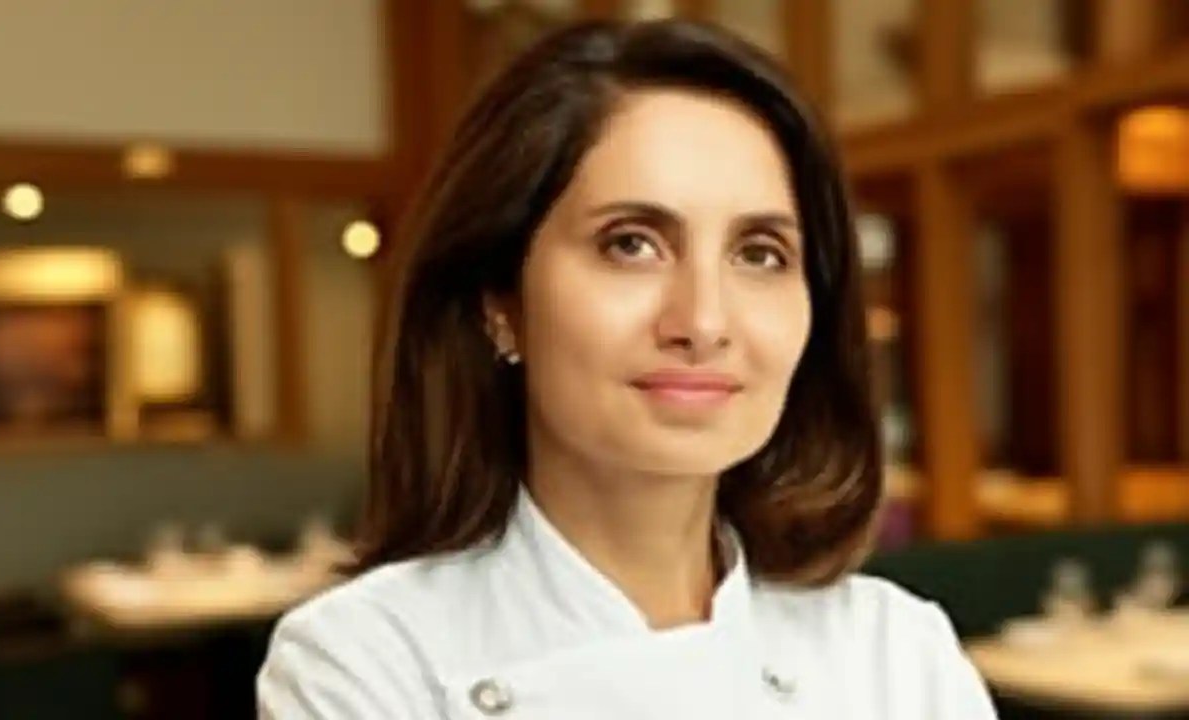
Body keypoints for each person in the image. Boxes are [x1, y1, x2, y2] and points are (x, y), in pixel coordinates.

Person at [258, 18, 998, 720]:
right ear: (501, 301)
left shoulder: (897, 651)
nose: (704, 322)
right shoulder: (363, 660)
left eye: (760, 254)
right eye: (632, 244)